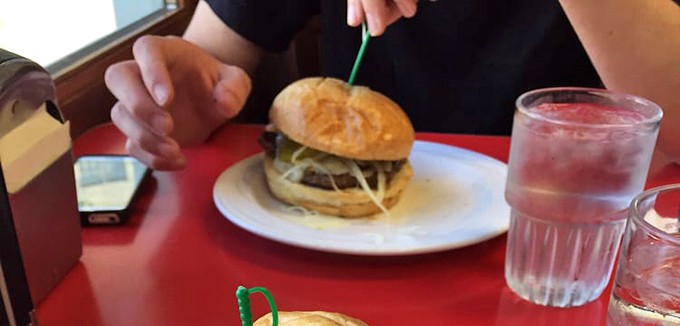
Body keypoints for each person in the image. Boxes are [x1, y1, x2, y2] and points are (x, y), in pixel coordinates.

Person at [105, 0, 680, 171]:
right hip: (329, 262)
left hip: (563, 259)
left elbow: (674, 133)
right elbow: (210, 57)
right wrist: (177, 98)